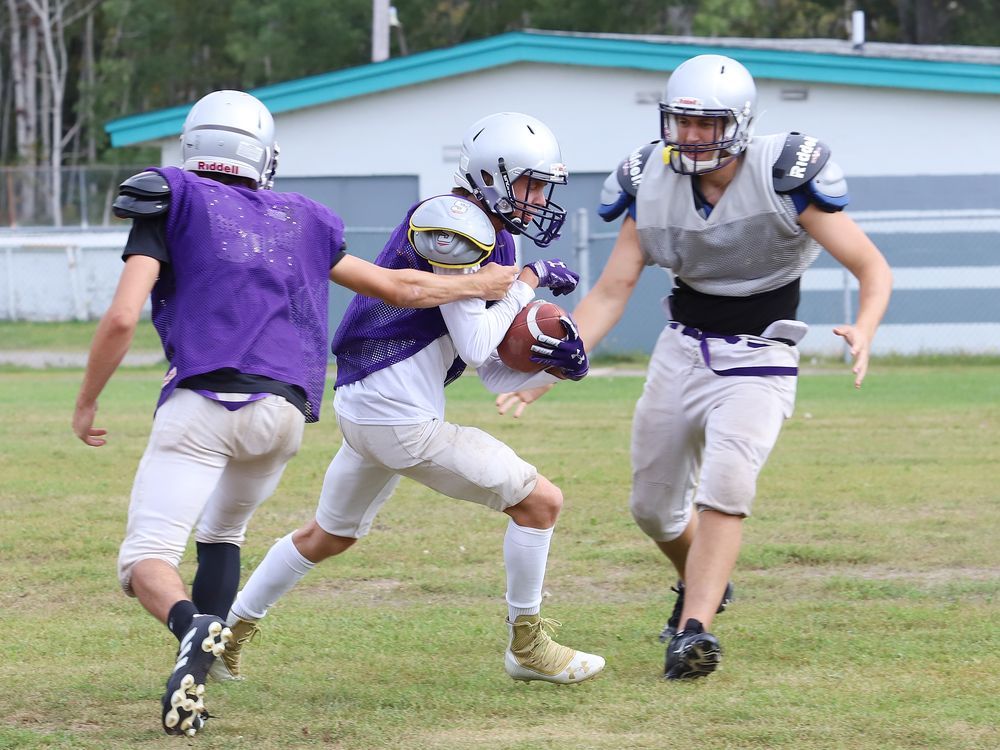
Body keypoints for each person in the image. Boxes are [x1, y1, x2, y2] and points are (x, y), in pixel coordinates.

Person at [71, 90, 516, 736]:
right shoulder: (302, 216)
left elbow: (120, 316)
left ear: (196, 147)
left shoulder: (171, 194)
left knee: (145, 560)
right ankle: (194, 681)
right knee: (222, 533)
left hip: (204, 398)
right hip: (282, 413)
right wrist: (482, 282)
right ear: (261, 156)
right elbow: (403, 288)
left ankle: (192, 626)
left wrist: (86, 402)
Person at [496, 55, 893, 680]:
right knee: (652, 509)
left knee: (726, 486)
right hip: (682, 349)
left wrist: (864, 328)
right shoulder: (647, 179)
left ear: (738, 123)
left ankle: (694, 631)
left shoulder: (782, 173)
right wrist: (555, 366)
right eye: (682, 122)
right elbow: (609, 291)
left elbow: (872, 267)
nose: (693, 136)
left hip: (763, 351)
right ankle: (701, 582)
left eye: (708, 123)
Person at [218, 111, 604, 689]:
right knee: (540, 504)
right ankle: (527, 645)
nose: (539, 197)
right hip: (396, 416)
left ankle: (225, 636)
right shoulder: (453, 224)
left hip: (375, 406)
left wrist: (546, 364)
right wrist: (527, 282)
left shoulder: (490, 228)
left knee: (329, 535)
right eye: (531, 183)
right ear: (493, 176)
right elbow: (475, 345)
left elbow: (484, 364)